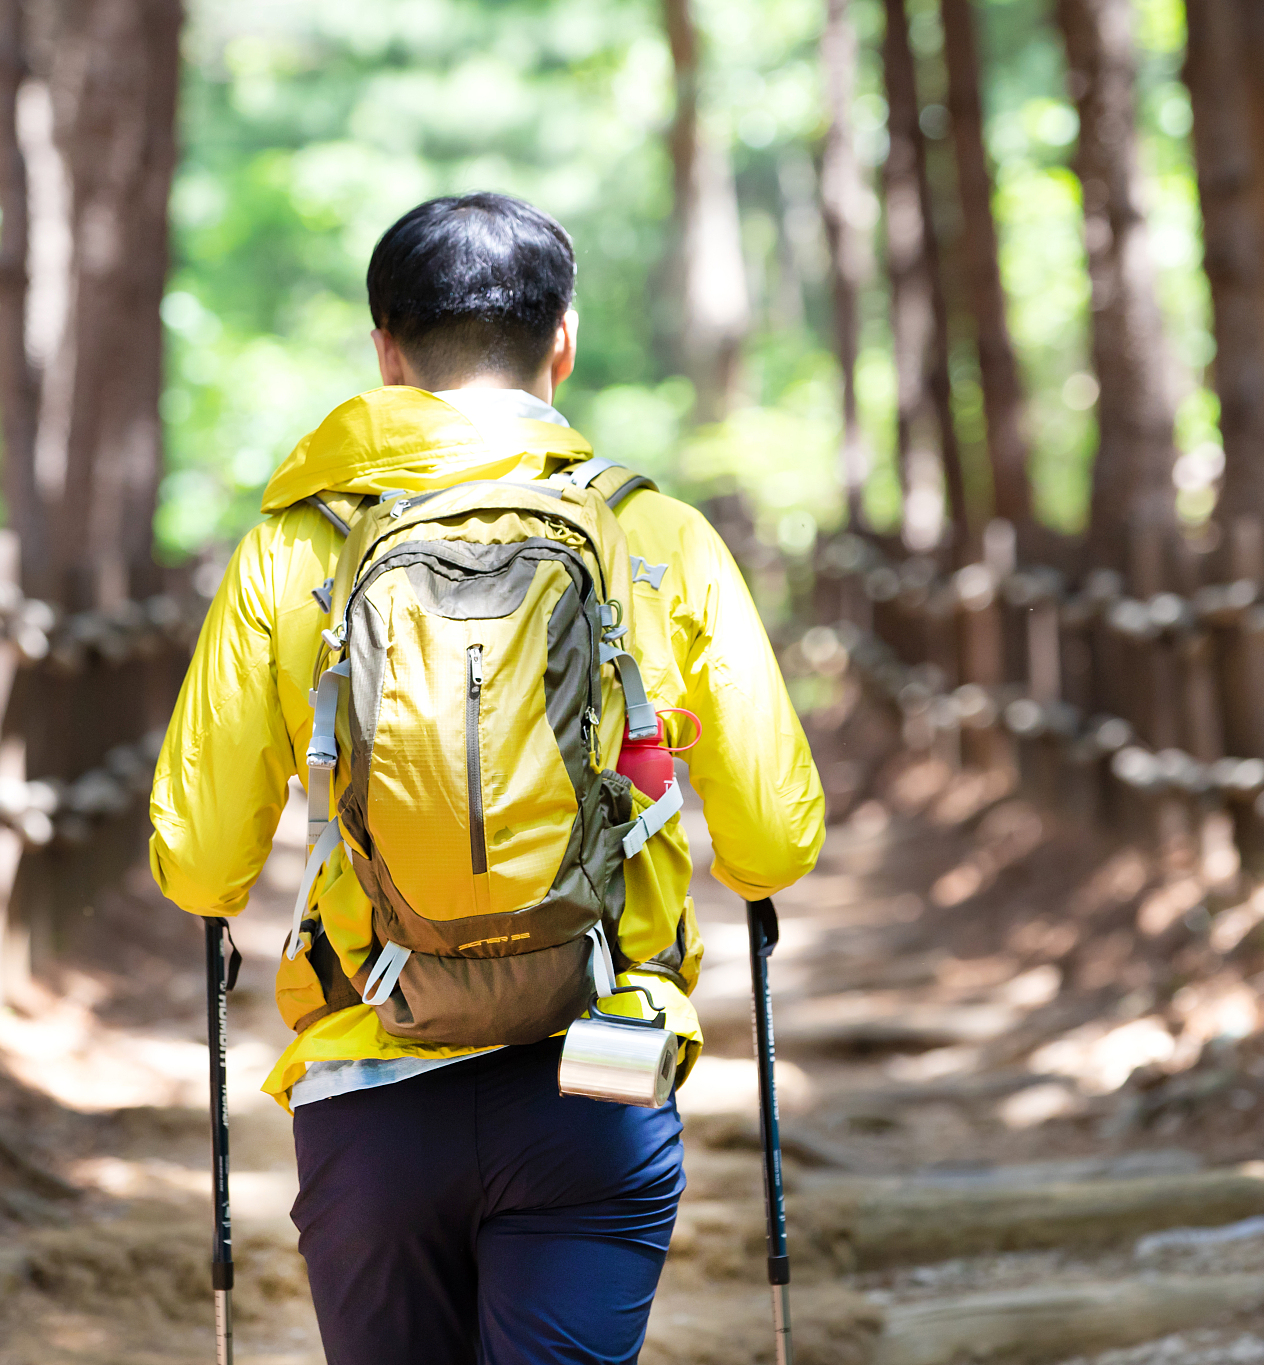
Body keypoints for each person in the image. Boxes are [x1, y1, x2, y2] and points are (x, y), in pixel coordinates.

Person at [148, 191, 825, 1363]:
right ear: (562, 340)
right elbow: (771, 842)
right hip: (598, 1060)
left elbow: (205, 866)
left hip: (369, 1067)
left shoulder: (294, 546)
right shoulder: (655, 536)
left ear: (384, 347)